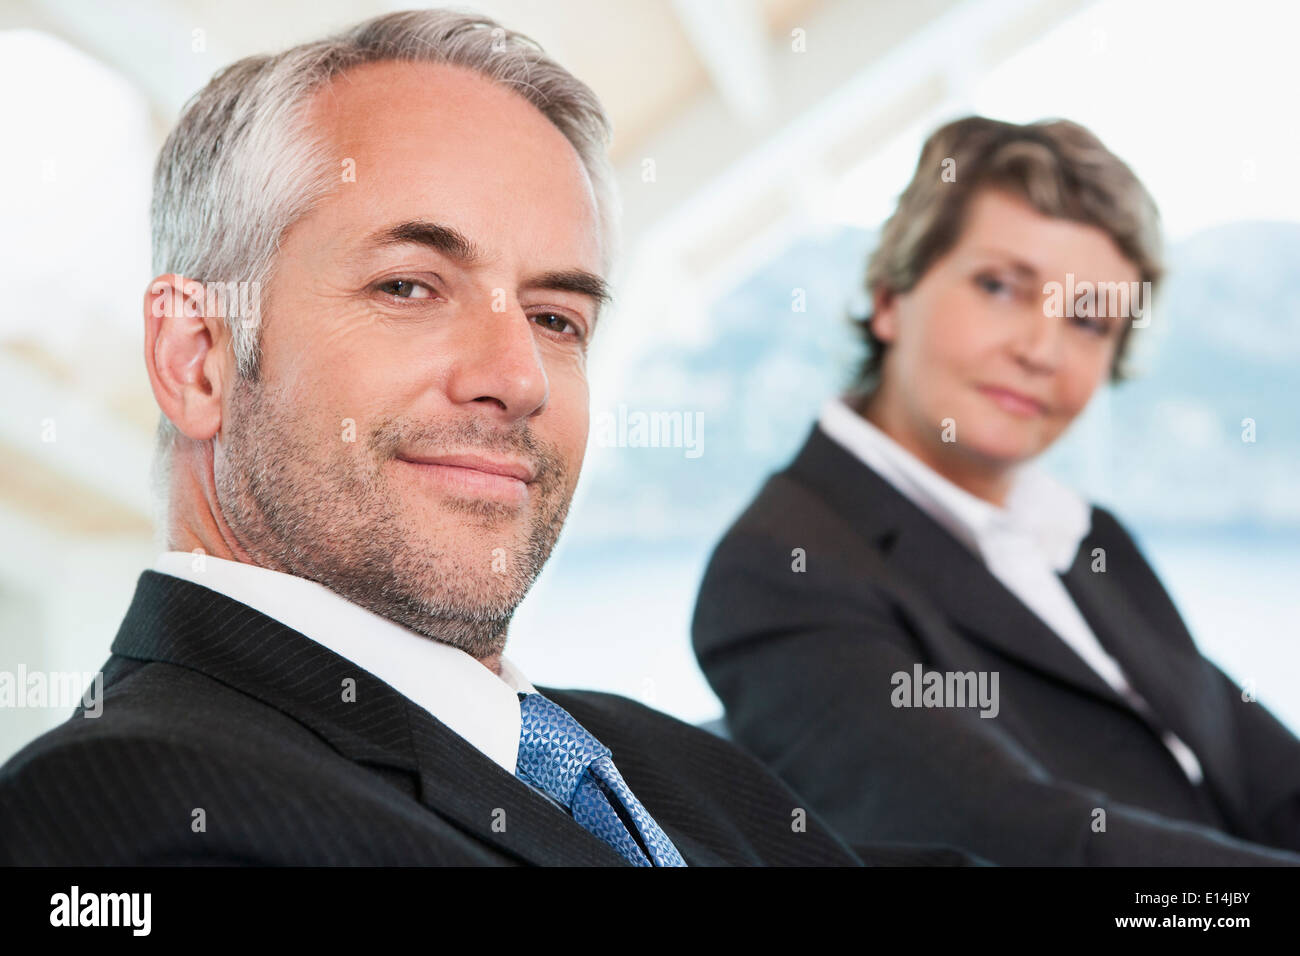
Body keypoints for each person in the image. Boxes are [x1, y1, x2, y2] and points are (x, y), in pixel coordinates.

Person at [0, 9, 971, 867]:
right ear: (196, 358)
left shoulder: (646, 759)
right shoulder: (123, 810)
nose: (516, 378)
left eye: (556, 317)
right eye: (408, 287)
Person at [692, 115, 1300, 866]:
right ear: (890, 297)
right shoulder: (781, 568)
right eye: (1002, 287)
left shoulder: (1086, 536)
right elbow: (1014, 840)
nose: (1041, 350)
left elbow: (1264, 775)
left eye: (1087, 320)